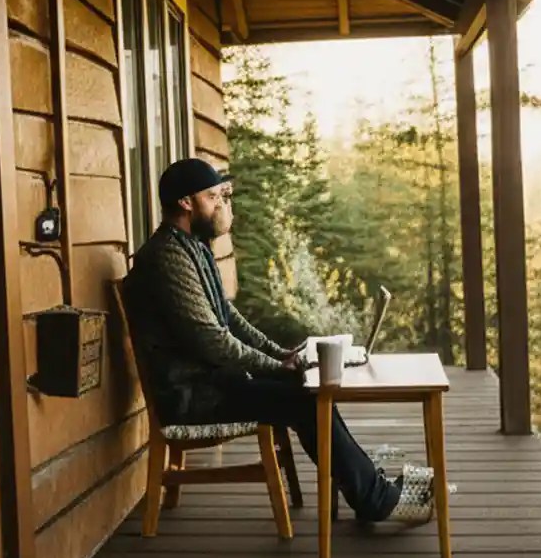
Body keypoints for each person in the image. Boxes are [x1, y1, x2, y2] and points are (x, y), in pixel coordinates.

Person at [124, 158, 433, 522]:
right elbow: (212, 340)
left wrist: (279, 354)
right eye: (213, 197)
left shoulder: (192, 247)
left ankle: (369, 489)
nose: (222, 204)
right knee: (304, 401)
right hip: (193, 394)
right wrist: (274, 366)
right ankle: (375, 499)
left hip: (216, 381)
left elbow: (229, 319)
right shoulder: (167, 257)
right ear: (186, 203)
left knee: (305, 386)